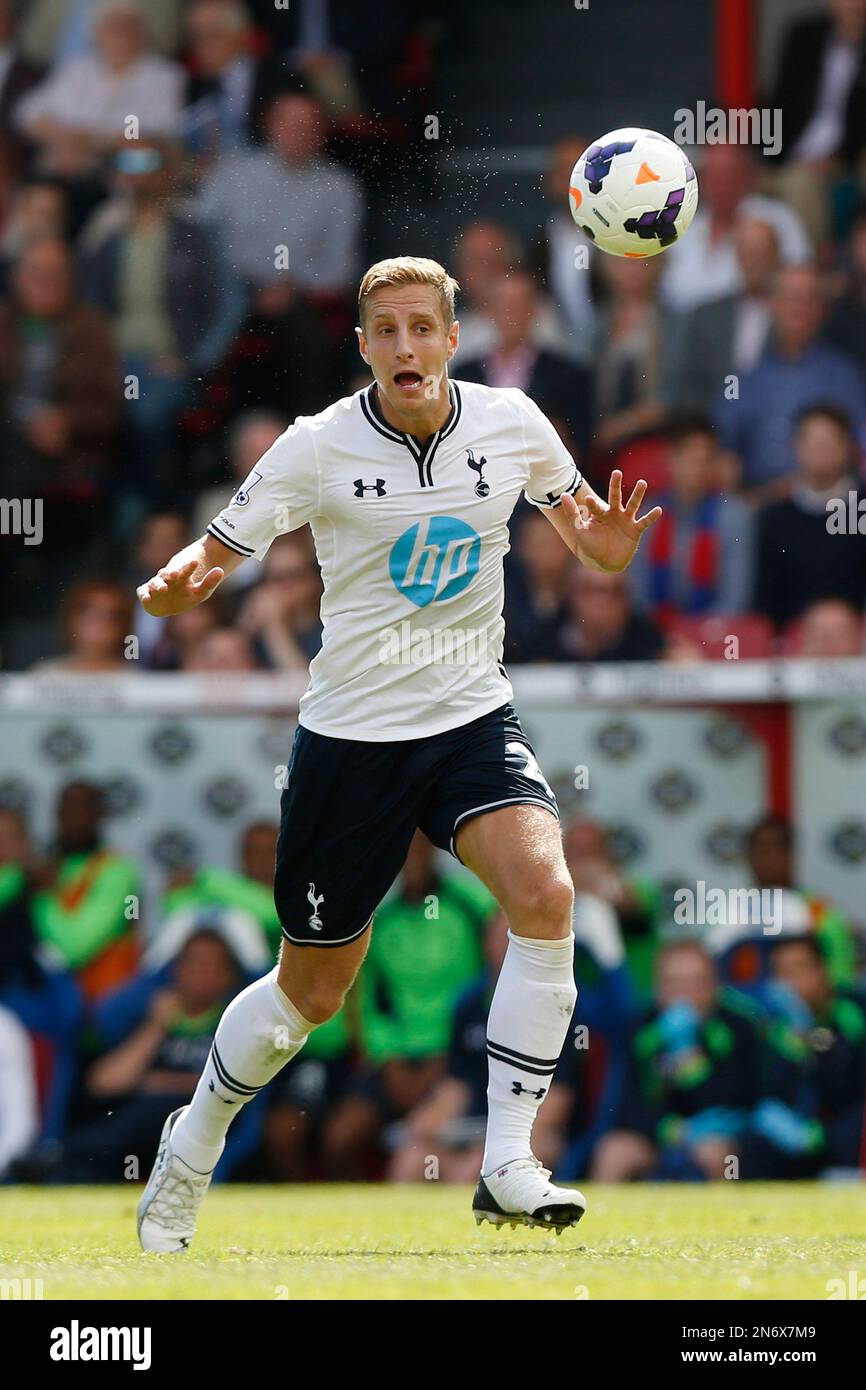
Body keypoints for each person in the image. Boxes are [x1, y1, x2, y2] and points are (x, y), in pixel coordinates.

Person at [135, 254, 663, 1250]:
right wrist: (182, 579)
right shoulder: (317, 445)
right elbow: (217, 547)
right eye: (387, 331)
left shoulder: (510, 422)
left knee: (547, 896)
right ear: (365, 345)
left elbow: (588, 536)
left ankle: (505, 1160)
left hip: (469, 716)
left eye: (424, 327)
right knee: (312, 994)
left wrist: (611, 545)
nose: (407, 346)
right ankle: (193, 1138)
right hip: (352, 740)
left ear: (452, 339)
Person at [713, 265, 866, 492]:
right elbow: (720, 434)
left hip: (822, 496)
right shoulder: (745, 376)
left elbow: (859, 444)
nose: (799, 309)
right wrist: (725, 461)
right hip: (756, 498)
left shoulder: (844, 375)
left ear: (822, 310)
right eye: (791, 298)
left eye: (809, 300)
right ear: (773, 304)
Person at [753, 404, 866, 628]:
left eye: (828, 442)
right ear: (796, 447)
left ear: (847, 448)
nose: (820, 450)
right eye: (812, 442)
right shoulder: (776, 518)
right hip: (794, 645)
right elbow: (766, 601)